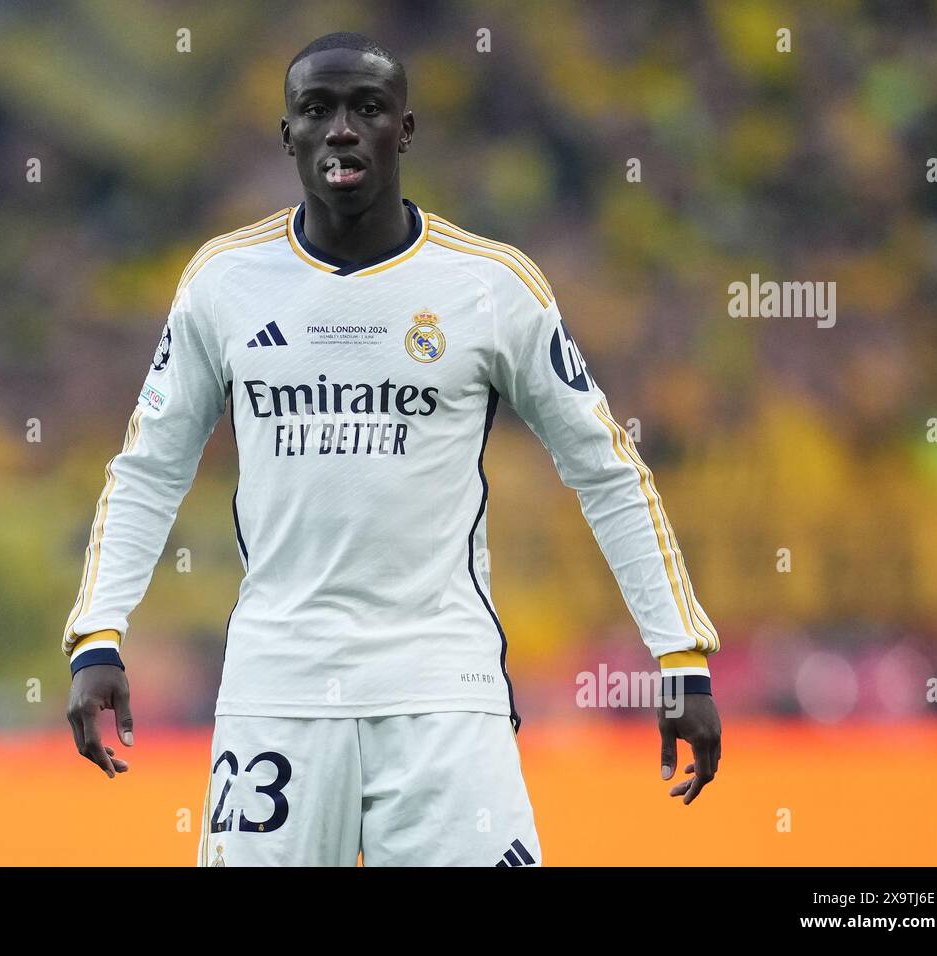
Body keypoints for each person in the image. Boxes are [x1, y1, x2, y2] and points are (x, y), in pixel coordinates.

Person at [63, 32, 722, 866]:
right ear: (288, 134)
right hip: (280, 696)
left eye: (367, 110)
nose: (342, 129)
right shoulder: (222, 283)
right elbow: (149, 469)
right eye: (318, 110)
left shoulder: (489, 286)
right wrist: (98, 635)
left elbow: (607, 469)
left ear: (404, 130)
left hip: (444, 698)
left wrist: (680, 654)